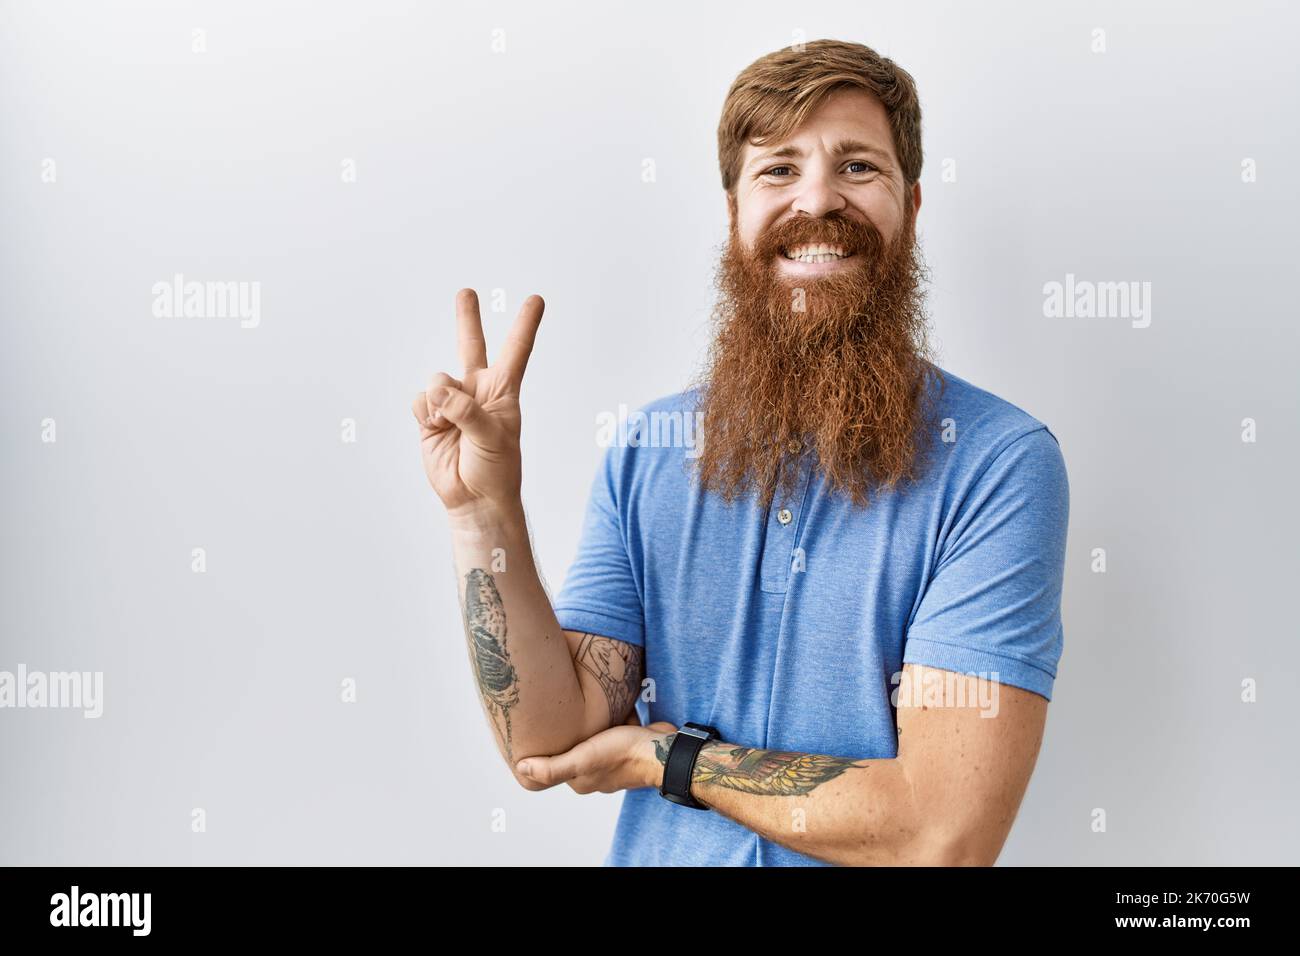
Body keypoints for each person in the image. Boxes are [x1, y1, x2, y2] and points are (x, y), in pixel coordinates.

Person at [411, 38, 1069, 866]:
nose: (818, 199)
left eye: (858, 166)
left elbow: (940, 832)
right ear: (733, 213)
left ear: (912, 204)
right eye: (778, 169)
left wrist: (670, 758)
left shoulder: (998, 465)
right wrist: (483, 511)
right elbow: (549, 734)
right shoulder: (647, 451)